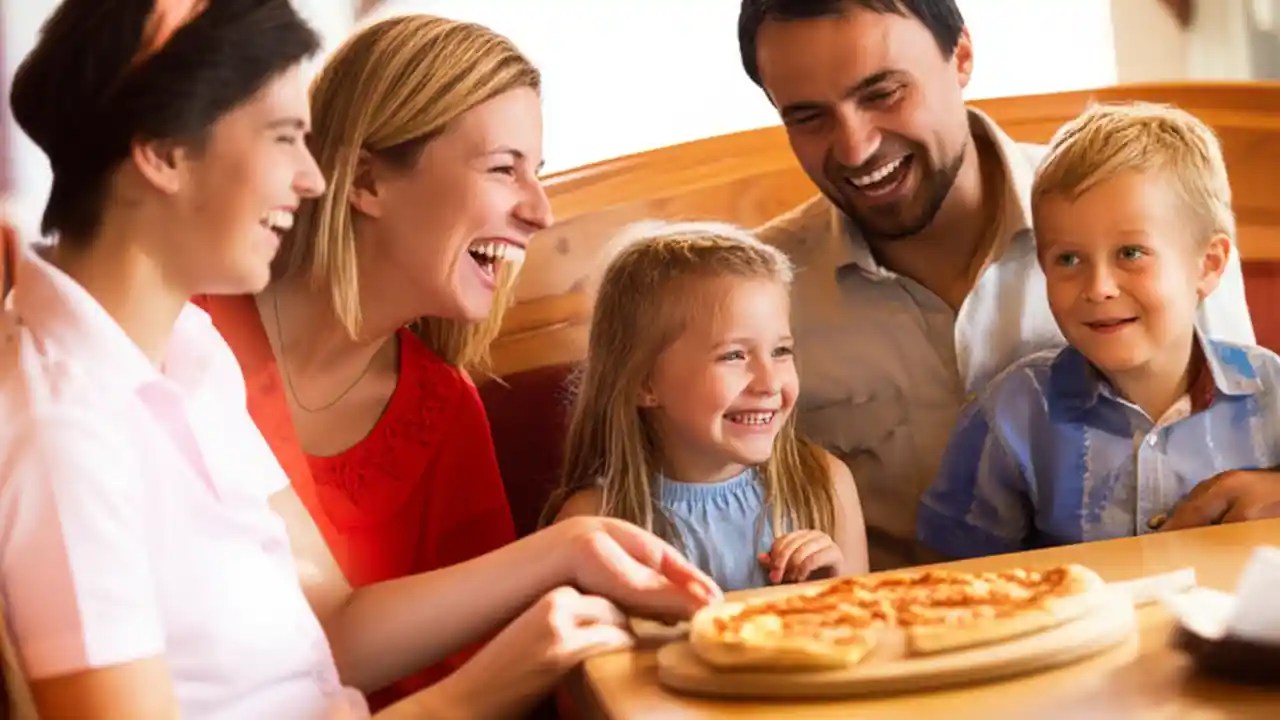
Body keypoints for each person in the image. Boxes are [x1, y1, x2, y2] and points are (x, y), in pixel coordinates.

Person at [0, 2, 719, 718]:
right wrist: (479, 692)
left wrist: (572, 548)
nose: (313, 180)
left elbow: (328, 625)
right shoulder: (64, 428)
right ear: (162, 153)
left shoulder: (186, 352)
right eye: (283, 138)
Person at [735, 0, 1258, 570]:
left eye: (884, 94)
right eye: (809, 118)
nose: (856, 149)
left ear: (960, 55)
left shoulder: (1155, 217)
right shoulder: (751, 299)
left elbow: (1249, 416)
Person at [196, 14, 543, 706]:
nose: (540, 211)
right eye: (505, 169)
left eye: (538, 174)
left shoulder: (446, 411)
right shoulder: (188, 337)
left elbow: (482, 683)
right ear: (366, 181)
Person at [918, 102, 1280, 557]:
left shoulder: (1272, 391)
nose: (1098, 287)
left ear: (1208, 266)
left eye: (1131, 253)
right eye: (1068, 259)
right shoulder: (1011, 416)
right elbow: (954, 576)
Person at [544, 221, 868, 591]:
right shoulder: (591, 525)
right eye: (733, 355)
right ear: (645, 383)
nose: (769, 383)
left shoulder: (826, 485)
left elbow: (872, 637)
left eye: (781, 351)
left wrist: (832, 590)